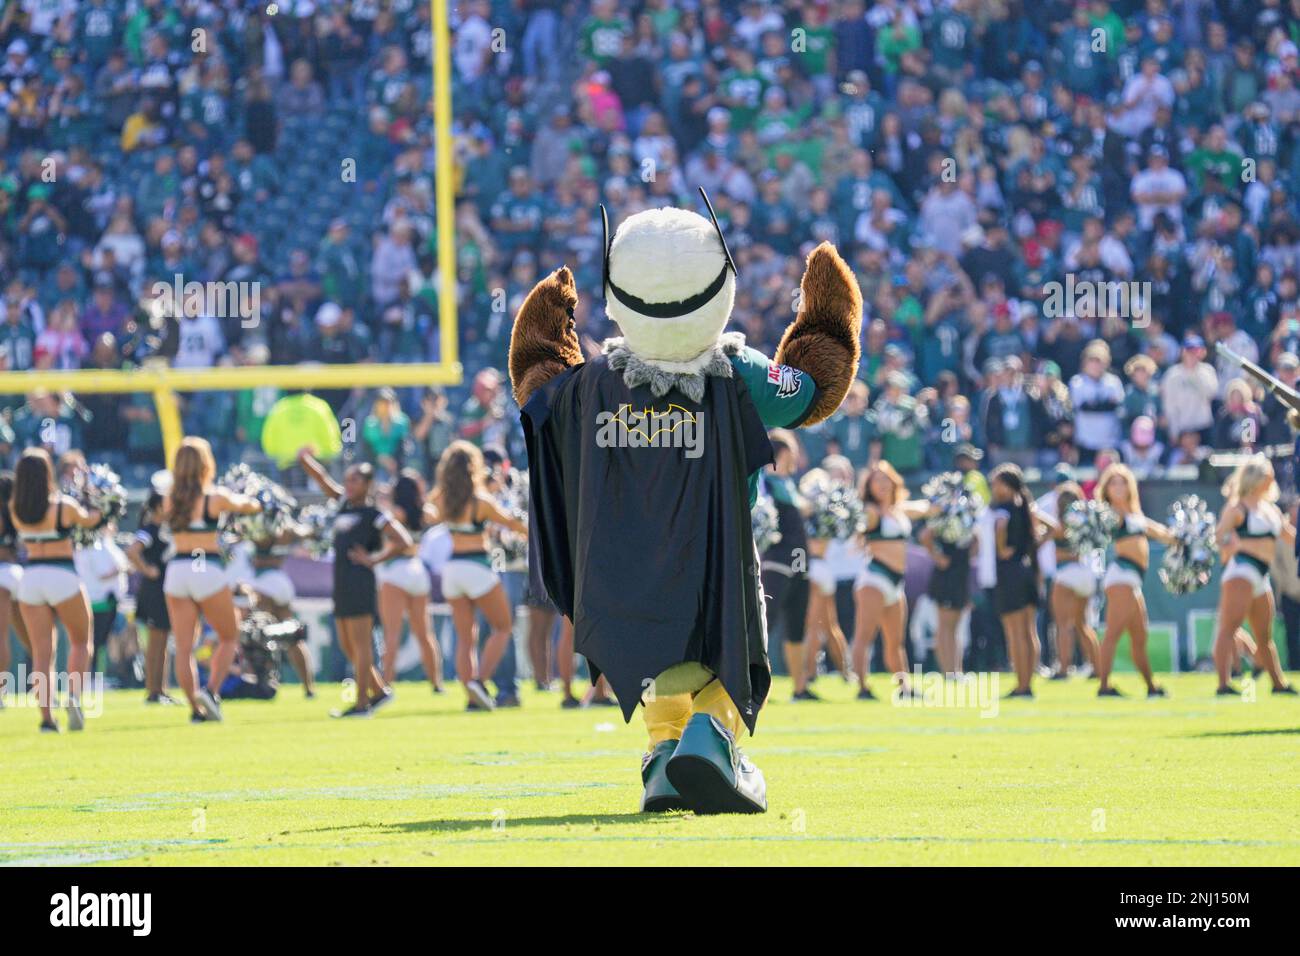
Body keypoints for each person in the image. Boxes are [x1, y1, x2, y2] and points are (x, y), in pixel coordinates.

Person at [299, 449, 412, 718]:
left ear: (368, 485)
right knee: (348, 645)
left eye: (355, 481)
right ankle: (379, 691)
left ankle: (362, 704)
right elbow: (324, 479)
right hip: (341, 582)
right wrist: (306, 460)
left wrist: (374, 559)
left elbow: (404, 541)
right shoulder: (342, 504)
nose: (349, 485)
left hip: (361, 582)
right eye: (348, 480)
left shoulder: (375, 514)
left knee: (361, 645)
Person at [163, 437, 262, 723]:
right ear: (206, 464)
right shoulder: (214, 497)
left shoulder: (169, 499)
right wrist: (256, 499)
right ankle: (211, 691)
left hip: (178, 569)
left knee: (183, 648)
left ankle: (195, 709)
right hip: (204, 565)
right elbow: (248, 505)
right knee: (229, 636)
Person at [426, 441, 526, 710]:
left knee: (465, 638)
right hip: (477, 567)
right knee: (503, 627)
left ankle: (472, 697)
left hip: (452, 571)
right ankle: (480, 682)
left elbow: (430, 510)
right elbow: (512, 523)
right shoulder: (480, 501)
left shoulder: (442, 498)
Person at [10, 448, 102, 732]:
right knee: (79, 640)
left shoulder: (16, 508)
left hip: (31, 578)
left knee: (41, 653)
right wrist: (100, 501)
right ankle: (73, 696)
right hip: (62, 574)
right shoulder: (62, 506)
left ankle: (47, 719)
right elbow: (90, 520)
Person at [1213, 456, 1297, 696]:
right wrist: (1233, 543)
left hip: (1261, 573)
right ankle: (1223, 683)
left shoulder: (1269, 509)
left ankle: (1278, 683)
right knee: (1229, 628)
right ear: (1256, 477)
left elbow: (1289, 536)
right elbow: (1219, 536)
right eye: (1267, 474)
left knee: (1264, 635)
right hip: (1241, 570)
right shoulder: (1237, 507)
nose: (1272, 478)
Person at [852, 461, 932, 699]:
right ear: (869, 486)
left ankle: (904, 688)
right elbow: (859, 526)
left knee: (896, 640)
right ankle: (862, 687)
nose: (882, 485)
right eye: (876, 481)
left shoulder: (899, 509)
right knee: (864, 636)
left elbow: (926, 507)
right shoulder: (871, 512)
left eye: (885, 479)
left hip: (896, 582)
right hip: (874, 578)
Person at [1093, 463, 1173, 697]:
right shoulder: (1112, 514)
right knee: (1113, 634)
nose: (1118, 487)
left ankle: (1151, 687)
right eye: (1113, 483)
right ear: (1106, 489)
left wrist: (1183, 538)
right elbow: (1101, 524)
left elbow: (1160, 532)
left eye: (1123, 482)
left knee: (1139, 637)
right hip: (1121, 577)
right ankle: (1104, 687)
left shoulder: (1134, 514)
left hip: (1133, 581)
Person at [990, 463, 1056, 698]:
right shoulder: (1028, 507)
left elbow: (999, 528)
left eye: (997, 483)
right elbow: (1054, 528)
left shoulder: (1002, 509)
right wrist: (1034, 546)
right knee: (1029, 631)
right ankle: (1028, 684)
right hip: (1028, 570)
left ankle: (1021, 685)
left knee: (1015, 632)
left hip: (1009, 573)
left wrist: (1001, 547)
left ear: (1008, 485)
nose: (994, 488)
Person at [376, 469, 442, 694]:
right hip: (418, 570)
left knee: (392, 633)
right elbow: (433, 511)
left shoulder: (395, 513)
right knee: (424, 633)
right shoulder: (425, 512)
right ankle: (436, 683)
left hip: (396, 571)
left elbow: (382, 520)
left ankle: (386, 683)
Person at [760, 431, 812, 699]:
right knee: (765, 625)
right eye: (791, 452)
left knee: (796, 625)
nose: (796, 458)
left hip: (799, 562)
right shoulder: (763, 484)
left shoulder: (788, 484)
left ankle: (800, 687)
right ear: (781, 454)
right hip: (777, 561)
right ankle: (753, 684)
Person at [125, 489, 174, 704]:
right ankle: (154, 691)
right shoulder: (150, 529)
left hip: (162, 591)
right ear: (159, 507)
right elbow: (132, 551)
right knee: (156, 642)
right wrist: (146, 570)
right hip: (154, 592)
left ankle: (159, 690)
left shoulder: (164, 530)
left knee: (162, 641)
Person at [1048, 482, 1101, 679]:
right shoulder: (1084, 522)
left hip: (1066, 574)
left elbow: (1046, 535)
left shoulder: (1060, 524)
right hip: (1085, 575)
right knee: (1082, 624)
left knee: (1062, 625)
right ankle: (1097, 667)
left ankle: (1063, 669)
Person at [919, 521, 975, 676]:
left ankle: (956, 670)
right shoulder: (946, 513)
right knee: (945, 627)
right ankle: (948, 671)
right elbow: (925, 535)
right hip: (946, 578)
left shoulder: (966, 515)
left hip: (960, 575)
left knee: (955, 627)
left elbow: (975, 541)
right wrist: (938, 557)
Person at [0, 470, 31, 708]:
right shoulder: (17, 512)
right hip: (16, 573)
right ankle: (47, 686)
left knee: (1, 638)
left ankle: (0, 694)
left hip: (2, 573)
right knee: (32, 639)